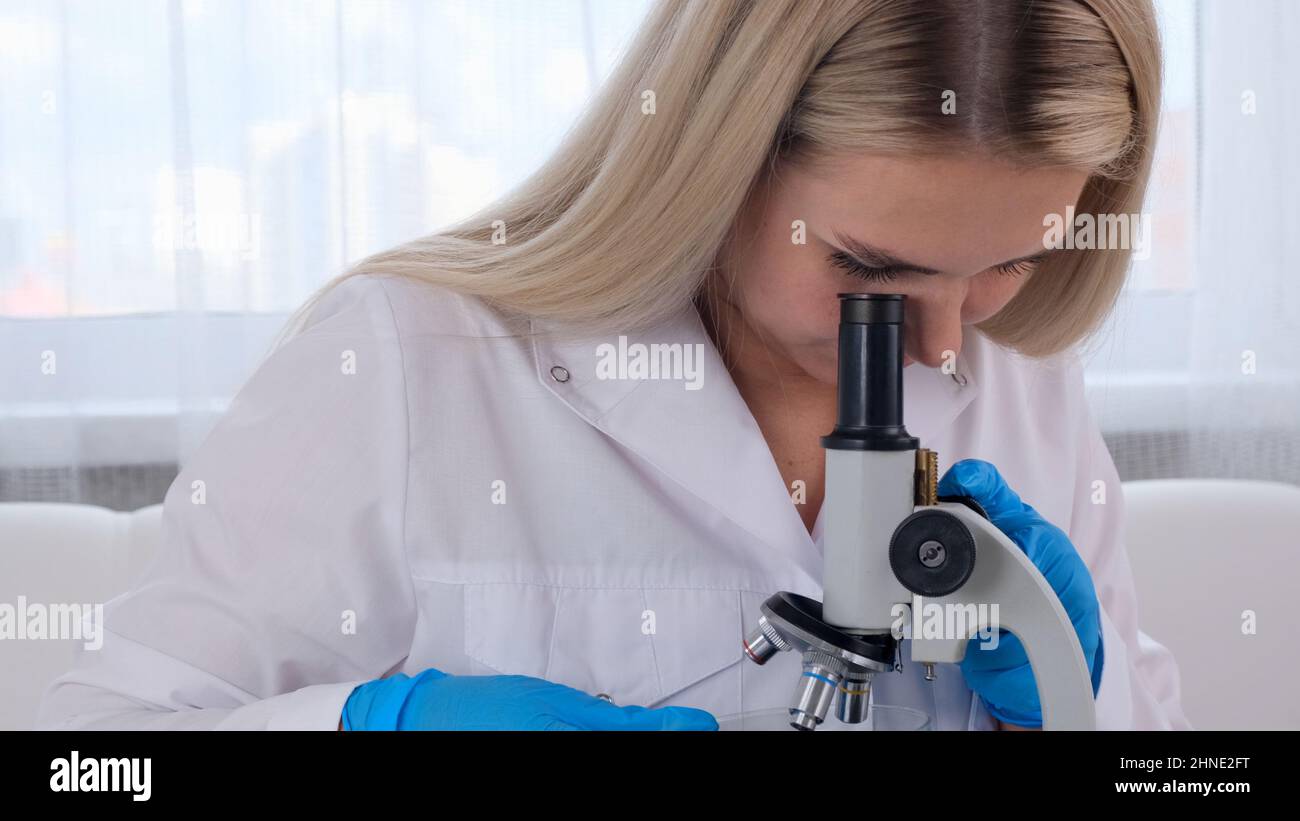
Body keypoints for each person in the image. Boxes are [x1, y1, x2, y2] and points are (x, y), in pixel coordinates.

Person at [37, 0, 1189, 731]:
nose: (945, 344)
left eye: (1008, 264)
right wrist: (365, 725)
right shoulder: (409, 363)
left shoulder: (1022, 380)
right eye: (870, 266)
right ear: (717, 156)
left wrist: (1083, 699)